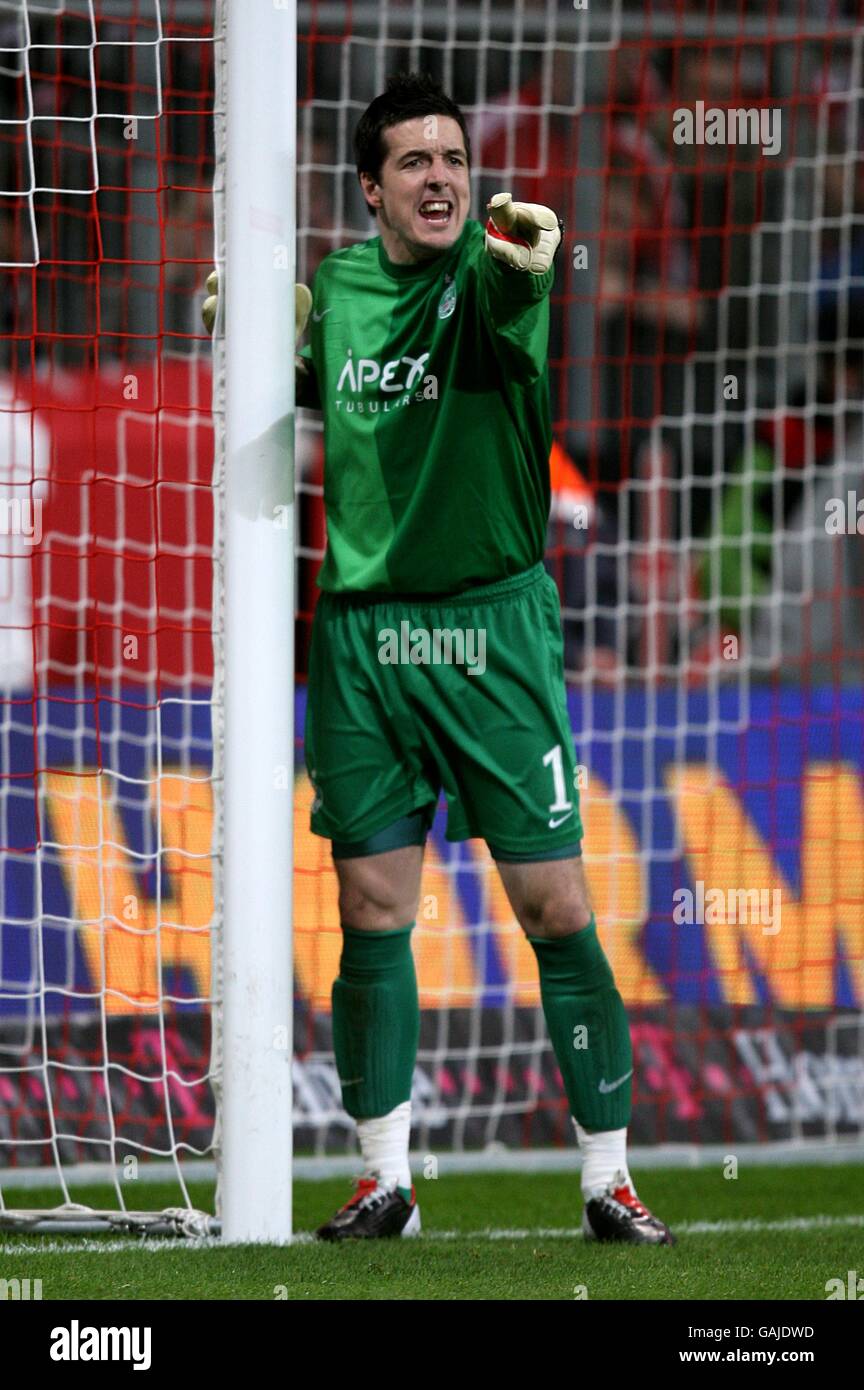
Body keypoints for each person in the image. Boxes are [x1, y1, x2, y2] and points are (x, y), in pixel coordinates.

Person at [205, 72, 674, 1246]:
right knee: (372, 908)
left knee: (556, 903)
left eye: (453, 159)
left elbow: (519, 282)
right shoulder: (341, 294)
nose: (441, 178)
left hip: (490, 630)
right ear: (371, 188)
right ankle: (385, 1180)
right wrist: (251, 335)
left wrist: (524, 258)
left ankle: (608, 1180)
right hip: (363, 638)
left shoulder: (494, 275)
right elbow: (292, 379)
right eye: (414, 162)